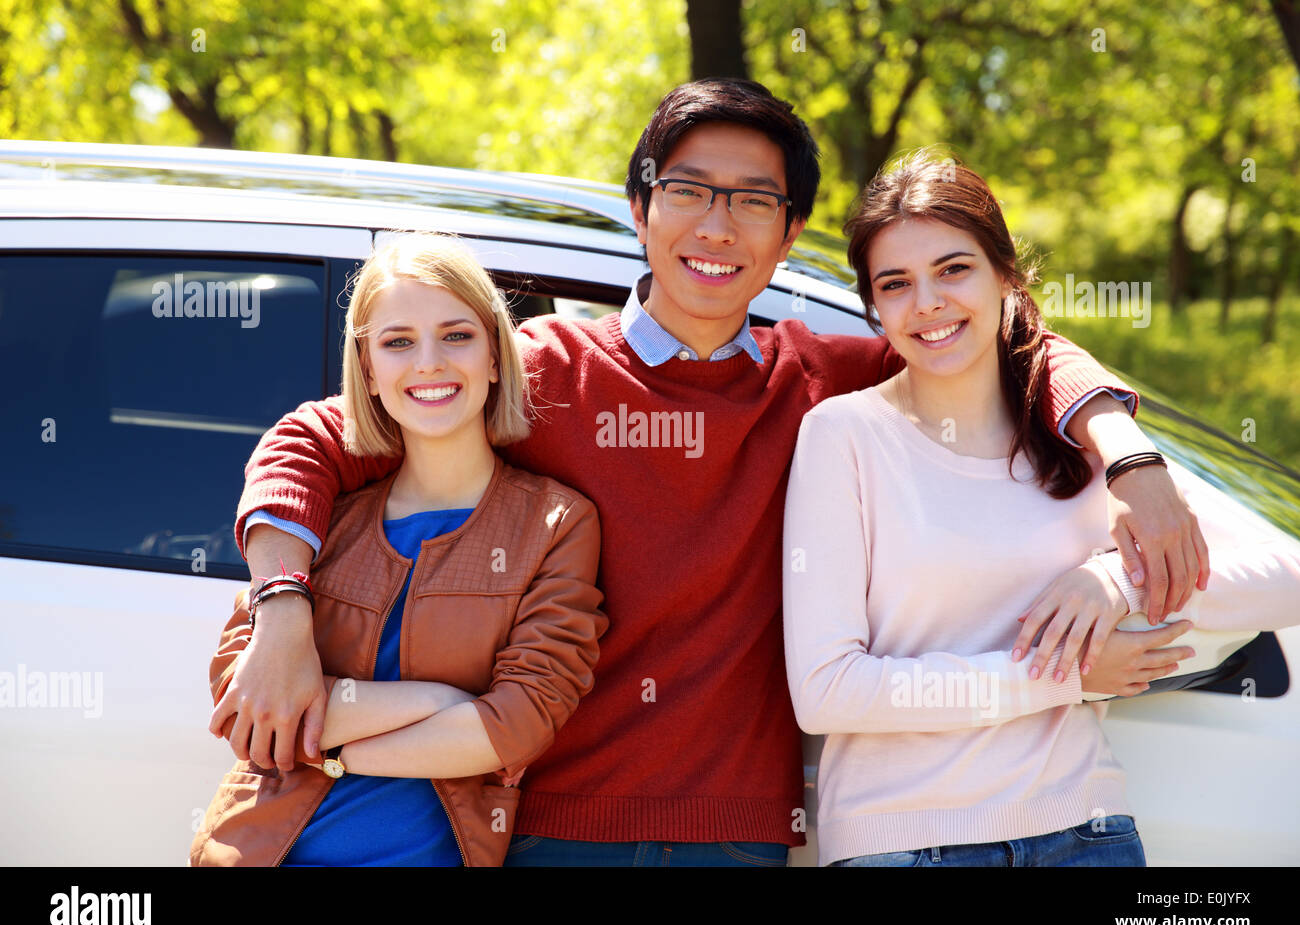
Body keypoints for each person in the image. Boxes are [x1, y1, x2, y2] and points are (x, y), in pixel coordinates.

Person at [212, 79, 1209, 867]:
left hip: (740, 830)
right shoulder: (542, 369)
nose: (717, 226)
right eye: (687, 191)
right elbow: (311, 437)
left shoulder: (820, 381)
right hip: (545, 822)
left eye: (754, 201)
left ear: (787, 234)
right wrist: (285, 610)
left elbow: (1010, 337)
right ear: (640, 209)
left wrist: (1131, 457)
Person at [782, 153, 1300, 867]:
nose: (927, 302)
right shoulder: (844, 436)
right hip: (907, 845)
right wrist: (1061, 676)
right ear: (874, 307)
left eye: (953, 269)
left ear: (1006, 275)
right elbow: (827, 691)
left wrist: (1115, 583)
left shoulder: (1080, 437)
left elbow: (1288, 577)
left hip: (1086, 834)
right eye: (895, 284)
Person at [190, 233, 607, 866]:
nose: (430, 362)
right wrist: (436, 703)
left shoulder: (555, 522)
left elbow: (519, 722)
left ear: (497, 355)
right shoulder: (322, 515)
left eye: (457, 335)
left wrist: (335, 752)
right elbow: (243, 697)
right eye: (398, 342)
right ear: (369, 371)